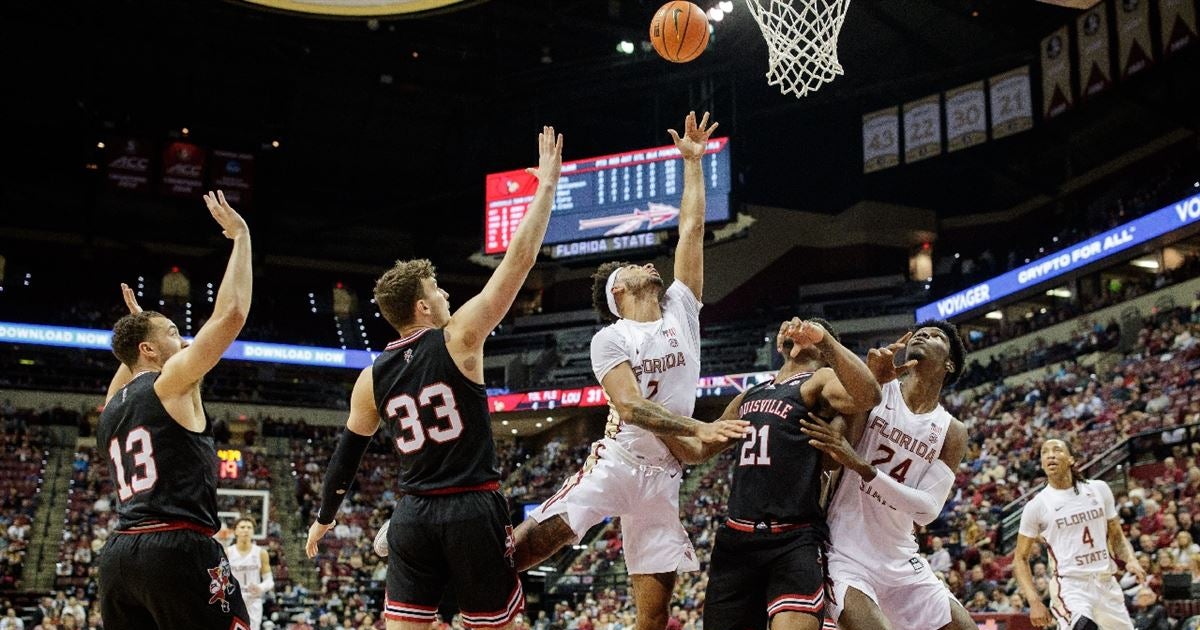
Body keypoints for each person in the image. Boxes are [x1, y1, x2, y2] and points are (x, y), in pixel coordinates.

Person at [305, 126, 565, 630]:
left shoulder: (370, 376)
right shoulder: (459, 337)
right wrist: (548, 186)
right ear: (423, 305)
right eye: (439, 290)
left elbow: (346, 456)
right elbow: (520, 259)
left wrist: (324, 519)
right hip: (471, 508)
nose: (447, 295)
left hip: (413, 516)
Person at [511, 112, 748, 630]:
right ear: (618, 291)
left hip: (663, 478)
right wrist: (699, 427)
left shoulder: (681, 307)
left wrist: (693, 163)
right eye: (635, 267)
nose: (649, 264)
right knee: (522, 551)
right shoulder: (611, 337)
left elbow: (691, 229)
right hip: (618, 461)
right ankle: (440, 580)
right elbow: (631, 407)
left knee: (656, 615)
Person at [96, 190, 252, 629]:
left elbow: (130, 365)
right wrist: (241, 237)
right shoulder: (174, 382)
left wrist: (142, 325)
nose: (183, 339)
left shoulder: (110, 408)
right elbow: (232, 314)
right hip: (178, 549)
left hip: (119, 558)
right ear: (148, 349)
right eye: (172, 331)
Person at [670, 318, 882, 630]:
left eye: (803, 328)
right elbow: (698, 450)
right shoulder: (750, 395)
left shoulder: (818, 380)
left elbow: (868, 396)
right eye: (787, 326)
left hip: (792, 538)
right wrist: (650, 419)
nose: (791, 328)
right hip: (737, 539)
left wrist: (824, 340)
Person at [806, 321, 976, 630]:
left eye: (936, 336)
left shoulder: (951, 431)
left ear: (950, 363)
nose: (923, 335)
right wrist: (871, 380)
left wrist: (864, 468)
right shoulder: (878, 391)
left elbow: (927, 510)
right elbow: (833, 456)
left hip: (901, 558)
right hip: (845, 552)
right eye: (920, 333)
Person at [1013, 438, 1145, 630]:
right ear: (1041, 463)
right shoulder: (1037, 506)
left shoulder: (1099, 489)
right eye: (1044, 452)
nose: (1050, 455)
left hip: (1106, 583)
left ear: (1071, 459)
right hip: (1070, 587)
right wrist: (1034, 601)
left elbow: (1116, 537)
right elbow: (1020, 559)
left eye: (1057, 450)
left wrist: (1130, 559)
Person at [228, 517, 275, 630]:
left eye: (249, 527)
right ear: (235, 531)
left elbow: (269, 581)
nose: (246, 530)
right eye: (242, 527)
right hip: (234, 599)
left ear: (253, 531)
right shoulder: (227, 552)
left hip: (253, 599)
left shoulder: (261, 553)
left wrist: (260, 587)